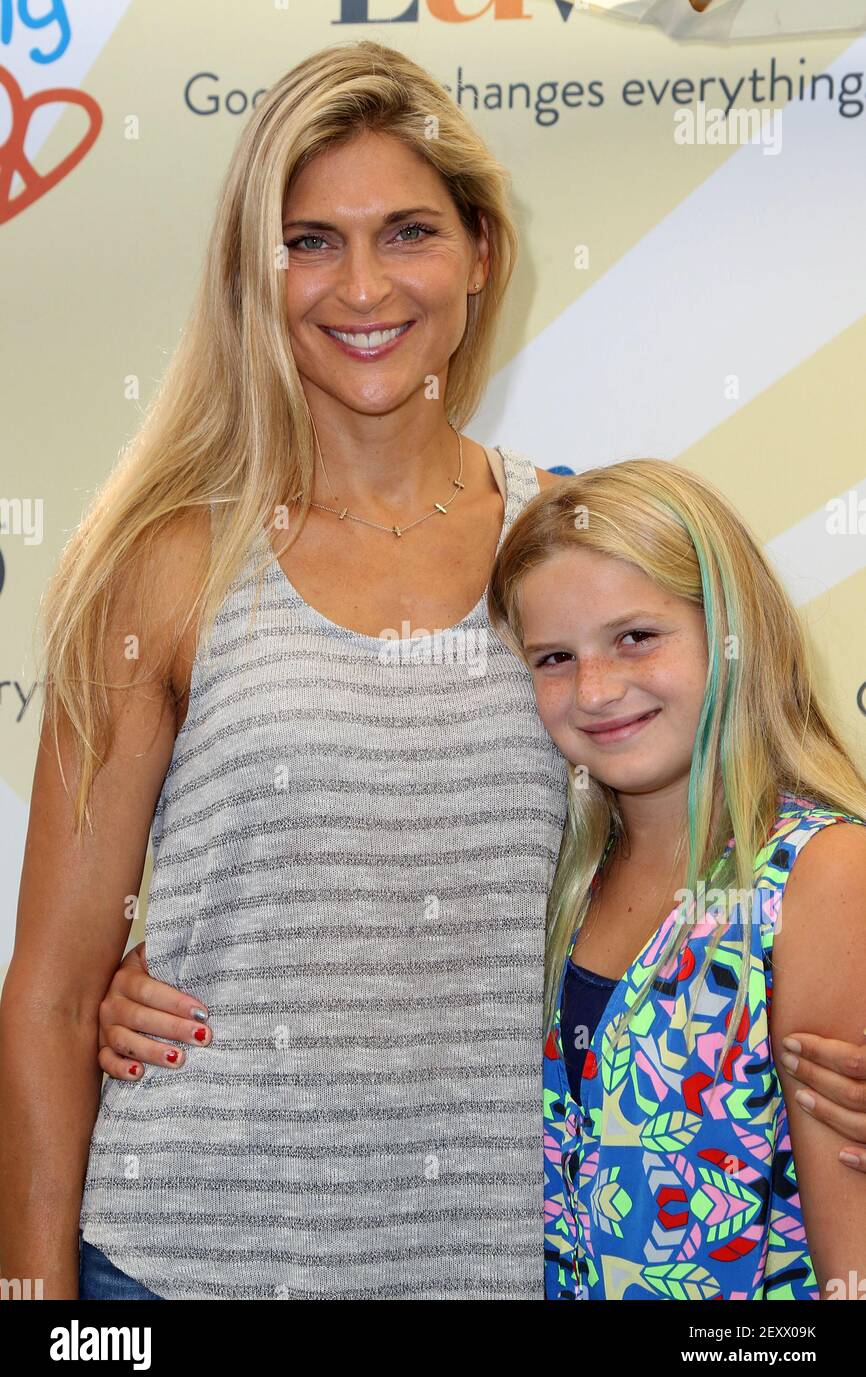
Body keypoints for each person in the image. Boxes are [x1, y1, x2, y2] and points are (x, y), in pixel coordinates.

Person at [3, 40, 864, 1304]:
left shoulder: (567, 551)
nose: (361, 286)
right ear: (256, 269)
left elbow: (729, 871)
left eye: (406, 231)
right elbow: (53, 985)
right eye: (308, 240)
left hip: (503, 1263)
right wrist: (37, 1307)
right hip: (173, 1261)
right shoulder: (163, 562)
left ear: (478, 252)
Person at [484, 457, 866, 1299]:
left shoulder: (821, 876)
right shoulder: (549, 883)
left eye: (635, 637)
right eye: (553, 657)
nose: (595, 689)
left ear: (733, 630)